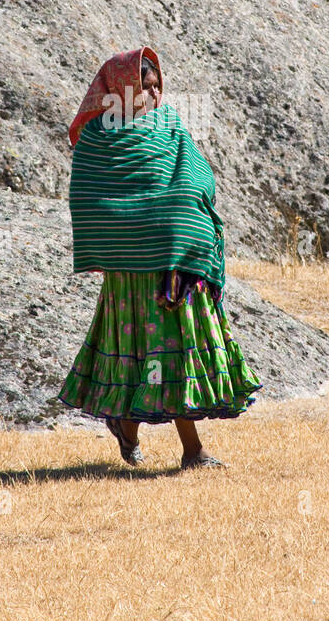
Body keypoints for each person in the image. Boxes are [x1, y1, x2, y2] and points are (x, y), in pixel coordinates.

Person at [59, 46, 260, 469]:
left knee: (174, 348)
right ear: (119, 89)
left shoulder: (170, 125)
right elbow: (91, 198)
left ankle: (172, 442)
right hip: (130, 271)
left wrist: (179, 225)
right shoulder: (99, 138)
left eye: (156, 87)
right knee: (144, 352)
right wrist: (133, 228)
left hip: (174, 266)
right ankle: (166, 441)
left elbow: (195, 178)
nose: (152, 96)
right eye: (143, 87)